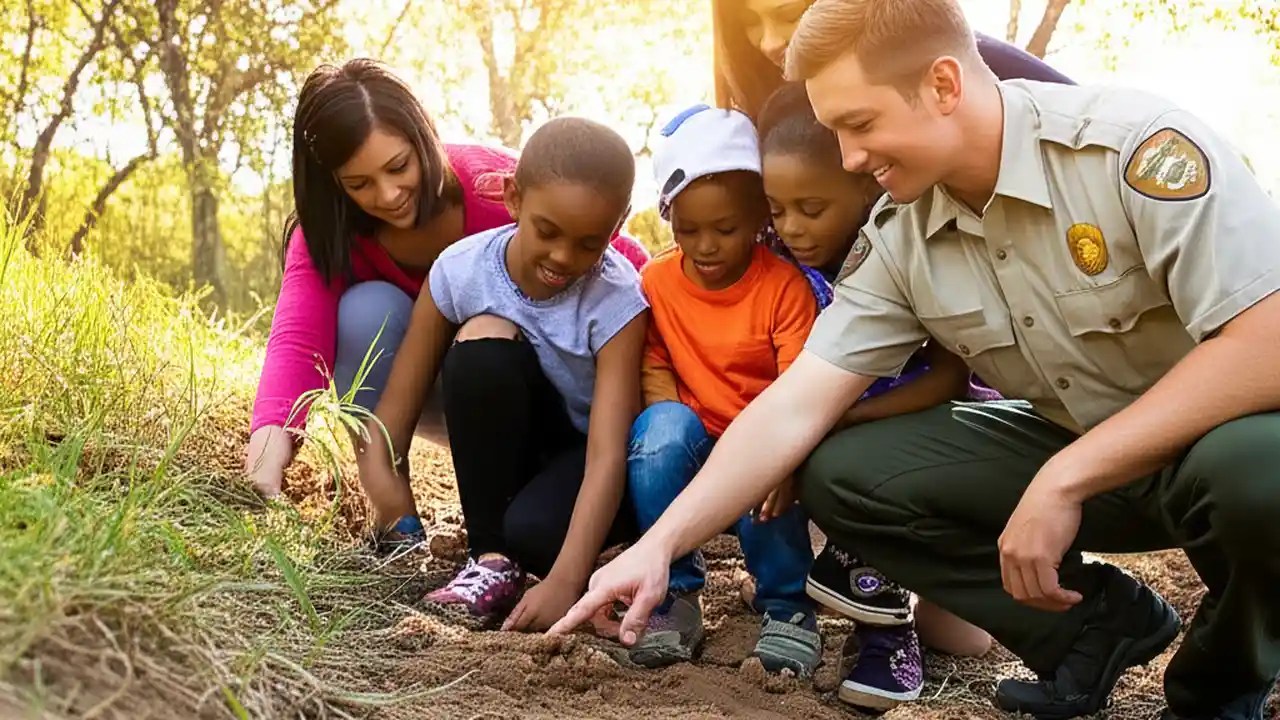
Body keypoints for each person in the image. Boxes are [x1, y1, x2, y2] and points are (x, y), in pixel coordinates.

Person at [551, 2, 1280, 720]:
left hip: (1214, 449)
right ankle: (1091, 628)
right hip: (1081, 447)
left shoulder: (1129, 149)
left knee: (1263, 477)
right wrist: (660, 544)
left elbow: (1267, 344)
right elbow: (796, 404)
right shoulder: (903, 230)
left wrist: (1067, 476)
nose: (848, 158)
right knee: (840, 471)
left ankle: (1219, 685)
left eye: (859, 125)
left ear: (942, 84)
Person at [243, 59, 649, 504]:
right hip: (439, 395)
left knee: (489, 334)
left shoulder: (497, 187)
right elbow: (297, 346)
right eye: (360, 183)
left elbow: (614, 256)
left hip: (547, 394)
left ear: (423, 139)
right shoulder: (328, 237)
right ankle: (391, 510)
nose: (388, 194)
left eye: (398, 167)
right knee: (364, 311)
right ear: (334, 184)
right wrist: (264, 465)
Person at [362, 116, 648, 630]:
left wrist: (564, 583)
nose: (564, 256)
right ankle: (490, 559)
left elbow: (608, 456)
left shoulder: (618, 300)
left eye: (590, 243)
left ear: (618, 224)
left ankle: (542, 550)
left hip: (585, 456)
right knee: (484, 339)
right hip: (516, 443)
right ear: (514, 198)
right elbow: (391, 422)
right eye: (548, 231)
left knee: (536, 536)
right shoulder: (460, 270)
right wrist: (395, 515)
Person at [754, 80, 982, 709]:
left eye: (811, 208)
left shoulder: (902, 248)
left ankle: (894, 609)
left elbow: (949, 378)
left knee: (966, 640)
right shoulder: (781, 266)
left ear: (864, 188)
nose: (792, 227)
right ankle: (875, 621)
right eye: (777, 209)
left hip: (923, 428)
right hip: (835, 435)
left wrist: (847, 419)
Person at [624, 104, 823, 677]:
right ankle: (673, 593)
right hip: (692, 432)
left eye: (725, 229)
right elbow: (655, 365)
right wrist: (668, 425)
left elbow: (796, 387)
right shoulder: (656, 281)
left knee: (770, 470)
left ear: (758, 216)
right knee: (658, 436)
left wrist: (779, 459)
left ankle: (786, 604)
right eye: (688, 230)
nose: (705, 246)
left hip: (762, 432)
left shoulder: (783, 287)